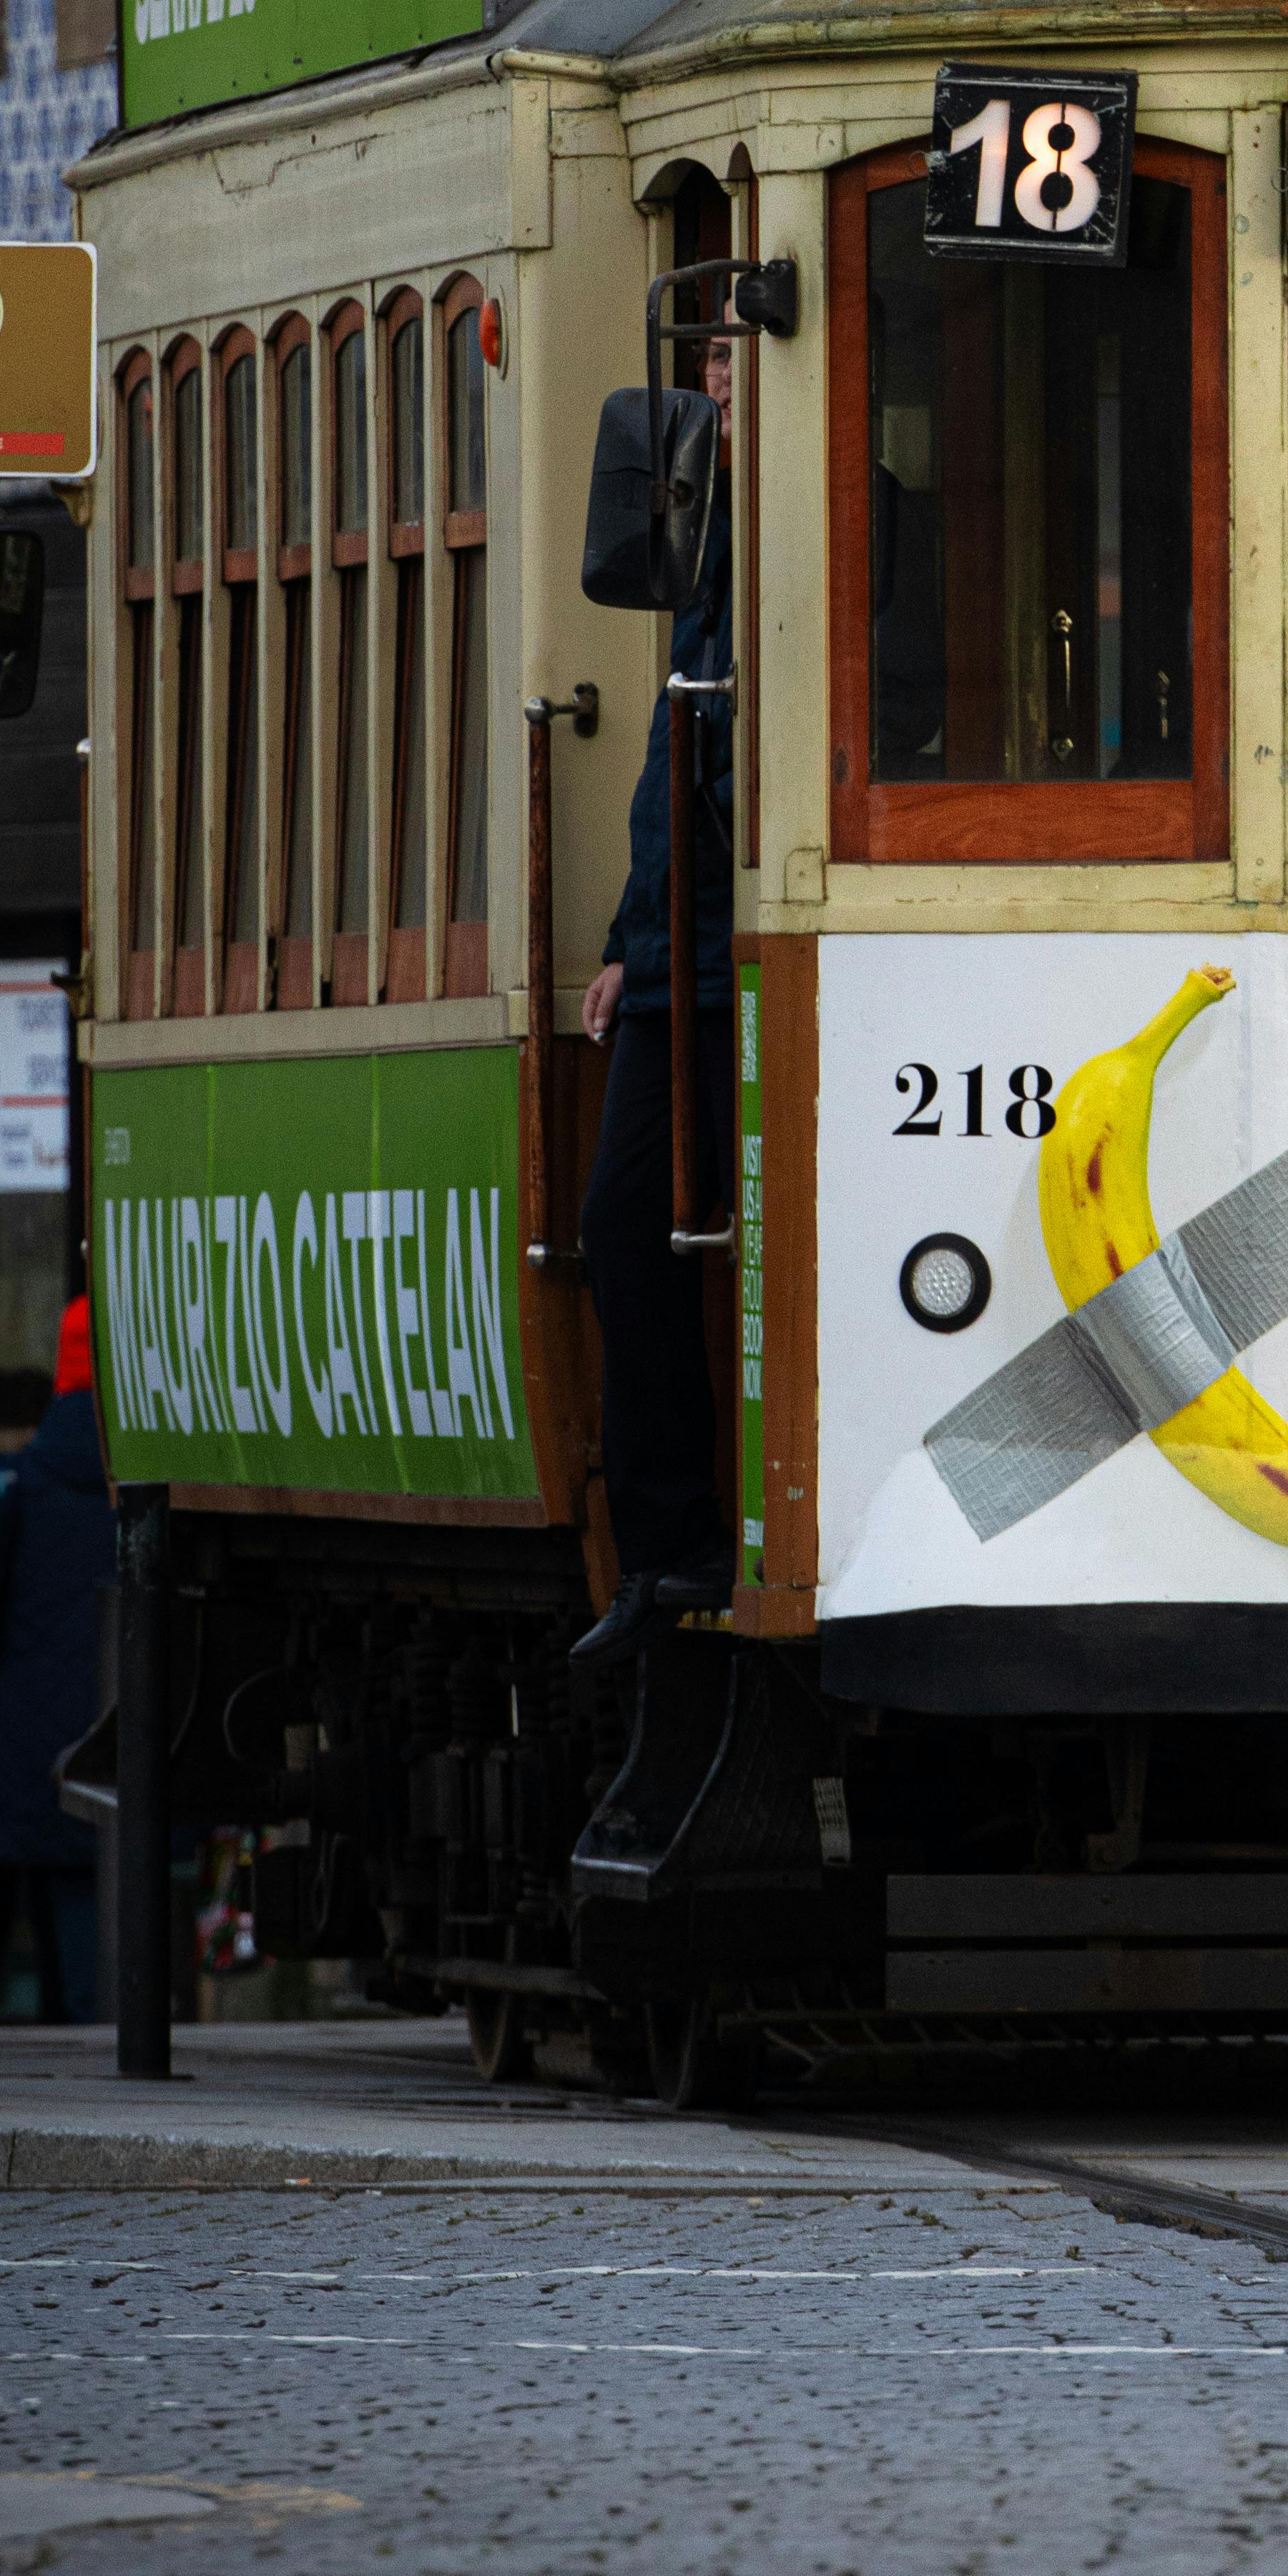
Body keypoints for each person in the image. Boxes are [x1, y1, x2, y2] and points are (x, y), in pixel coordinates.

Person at [574, 333, 738, 1662]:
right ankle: (672, 1553)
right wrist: (636, 941)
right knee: (623, 1228)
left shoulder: (850, 517)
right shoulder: (697, 529)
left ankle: (706, 1541)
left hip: (758, 938)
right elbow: (673, 764)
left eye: (739, 349)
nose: (720, 375)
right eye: (710, 354)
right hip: (682, 951)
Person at [0, 1295, 117, 2022]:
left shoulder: (32, 1478)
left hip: (36, 1724)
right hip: (123, 1718)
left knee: (56, 1891)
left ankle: (70, 2020)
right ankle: (107, 2020)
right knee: (114, 1889)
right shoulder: (154, 1484)